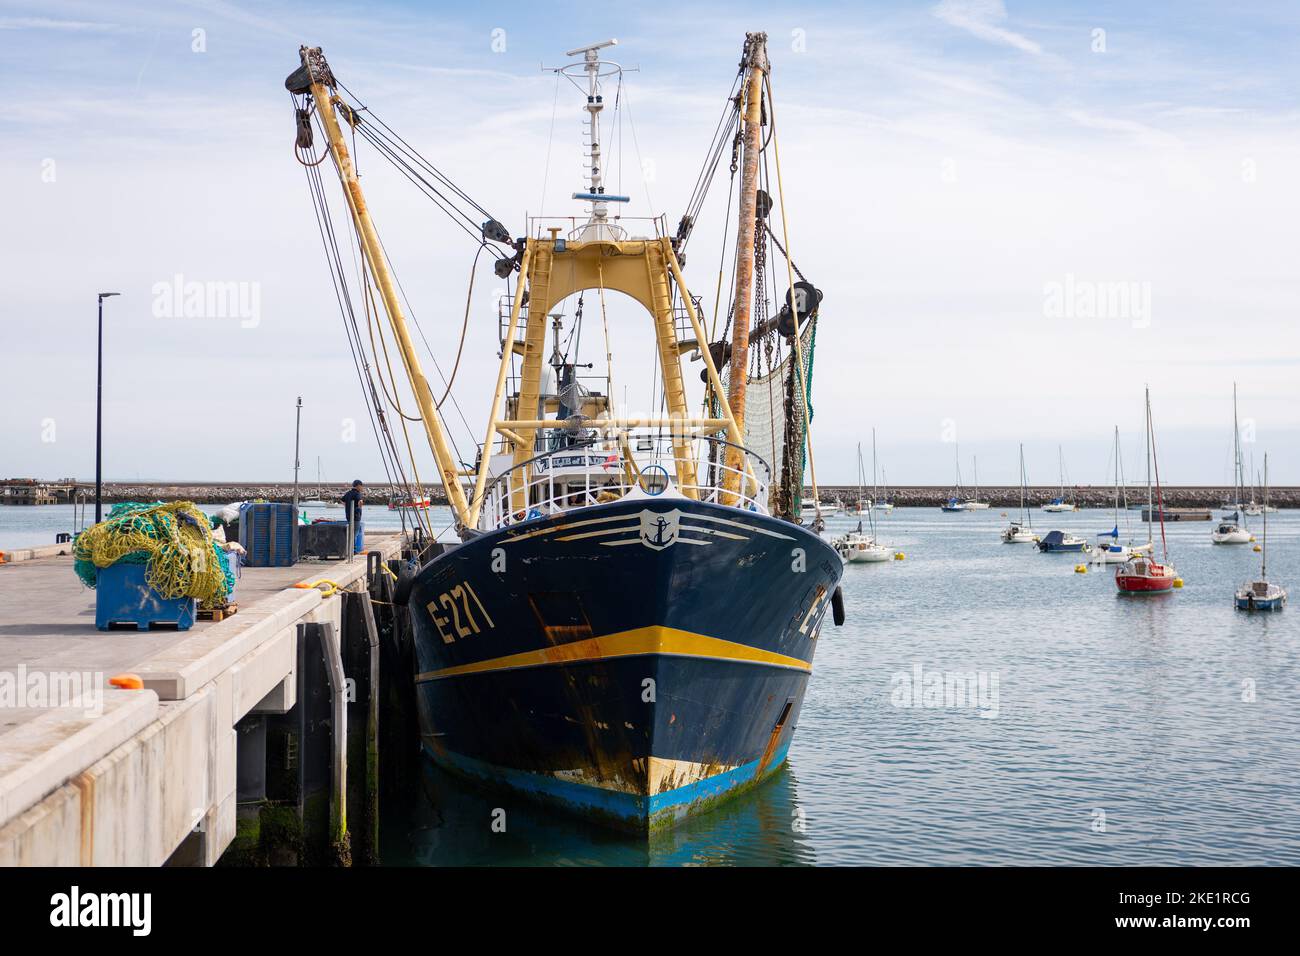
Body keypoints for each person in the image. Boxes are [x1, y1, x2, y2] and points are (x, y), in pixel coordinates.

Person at [341, 480, 365, 554]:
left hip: (348, 516)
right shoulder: (358, 494)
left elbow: (342, 500)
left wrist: (347, 507)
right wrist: (359, 508)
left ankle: (350, 549)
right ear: (358, 486)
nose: (362, 488)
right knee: (355, 533)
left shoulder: (348, 493)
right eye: (361, 486)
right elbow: (360, 502)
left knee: (351, 533)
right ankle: (352, 551)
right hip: (356, 516)